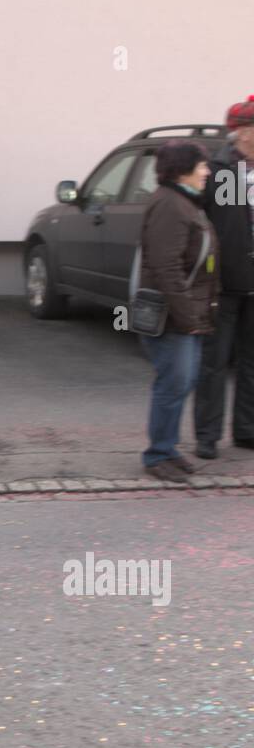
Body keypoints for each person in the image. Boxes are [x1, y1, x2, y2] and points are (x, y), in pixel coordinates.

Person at [138, 139, 218, 481]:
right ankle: (157, 454)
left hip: (186, 314)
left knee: (178, 384)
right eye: (202, 166)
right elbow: (166, 267)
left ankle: (166, 448)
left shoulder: (184, 202)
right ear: (183, 169)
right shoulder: (171, 205)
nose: (208, 172)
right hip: (173, 317)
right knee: (173, 385)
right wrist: (189, 318)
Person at [194, 97, 254, 458]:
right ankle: (207, 435)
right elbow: (196, 222)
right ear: (243, 133)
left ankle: (247, 430)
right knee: (214, 363)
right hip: (223, 283)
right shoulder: (216, 170)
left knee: (252, 362)